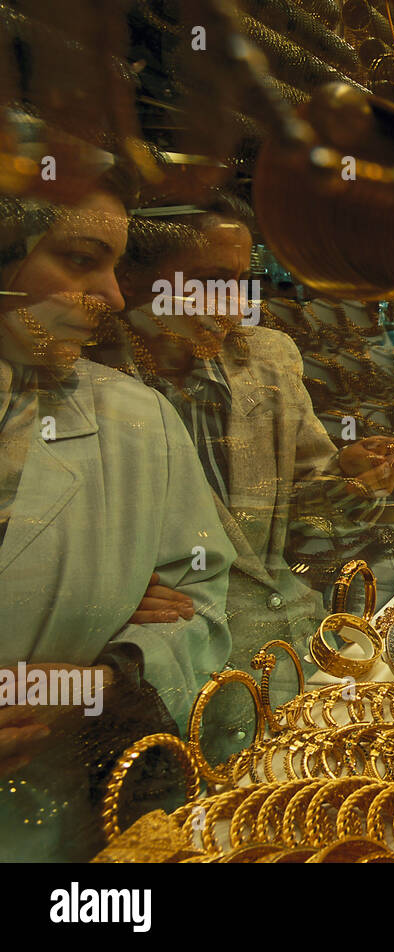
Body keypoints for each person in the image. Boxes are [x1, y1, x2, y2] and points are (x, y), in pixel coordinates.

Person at [93, 191, 394, 742]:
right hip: (172, 688)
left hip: (298, 650)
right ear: (137, 282)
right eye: (212, 281)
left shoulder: (265, 358)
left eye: (244, 281)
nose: (238, 307)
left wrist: (354, 479)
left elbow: (311, 511)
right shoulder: (91, 391)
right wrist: (102, 591)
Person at [0, 164, 235, 861]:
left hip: (87, 813)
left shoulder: (133, 418)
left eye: (114, 266)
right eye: (80, 260)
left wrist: (112, 674)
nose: (108, 294)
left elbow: (198, 598)